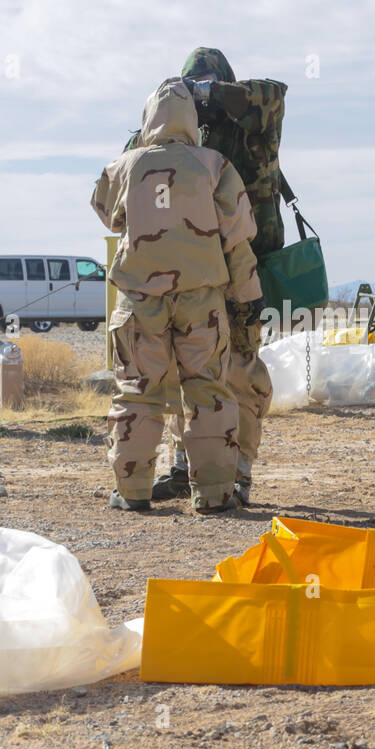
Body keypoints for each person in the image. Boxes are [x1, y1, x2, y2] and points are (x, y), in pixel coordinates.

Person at [92, 77, 264, 514]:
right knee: (207, 390)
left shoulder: (124, 165)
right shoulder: (215, 165)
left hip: (138, 298)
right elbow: (237, 241)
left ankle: (132, 492)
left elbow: (106, 214)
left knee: (137, 392)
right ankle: (214, 493)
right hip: (201, 299)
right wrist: (249, 297)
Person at [142, 47, 287, 508]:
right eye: (192, 83)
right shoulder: (180, 135)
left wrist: (210, 93)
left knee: (240, 371)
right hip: (187, 271)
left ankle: (238, 472)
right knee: (184, 370)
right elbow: (135, 164)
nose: (199, 95)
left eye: (207, 82)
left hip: (246, 269)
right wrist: (167, 107)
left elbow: (270, 96)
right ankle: (187, 469)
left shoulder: (252, 120)